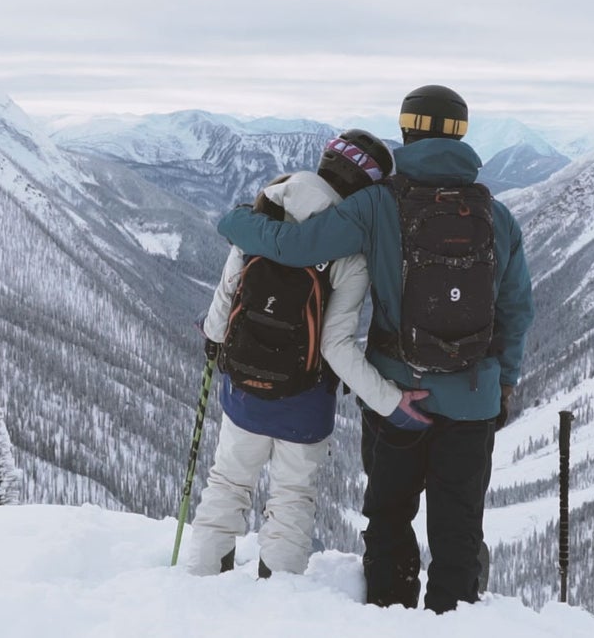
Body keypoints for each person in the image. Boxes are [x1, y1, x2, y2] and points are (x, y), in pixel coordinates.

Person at [216, 85, 535, 613]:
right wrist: (502, 383)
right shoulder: (496, 216)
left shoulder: (376, 204)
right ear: (462, 134)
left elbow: (295, 248)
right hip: (473, 400)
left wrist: (234, 221)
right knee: (458, 527)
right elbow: (516, 310)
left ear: (407, 129)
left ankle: (389, 615)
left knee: (389, 518)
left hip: (397, 398)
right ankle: (455, 620)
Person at [186, 129, 429, 578]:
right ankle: (277, 598)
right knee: (292, 496)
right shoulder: (347, 249)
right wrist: (391, 402)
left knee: (227, 484)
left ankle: (198, 579)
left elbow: (228, 292)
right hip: (305, 396)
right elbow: (336, 346)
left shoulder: (264, 213)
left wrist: (215, 337)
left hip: (243, 386)